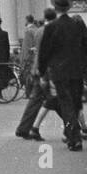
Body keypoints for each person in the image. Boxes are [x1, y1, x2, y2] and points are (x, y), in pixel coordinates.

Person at [36, 0, 87, 152]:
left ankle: (73, 138)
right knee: (75, 103)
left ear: (55, 8)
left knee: (66, 103)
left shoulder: (51, 27)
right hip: (77, 70)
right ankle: (72, 133)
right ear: (68, 7)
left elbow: (44, 53)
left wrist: (42, 74)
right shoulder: (77, 25)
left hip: (59, 71)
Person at [15, 8, 56, 140]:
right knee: (58, 99)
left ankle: (24, 128)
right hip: (47, 70)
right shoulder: (50, 31)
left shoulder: (38, 31)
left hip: (37, 68)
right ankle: (75, 129)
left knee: (36, 100)